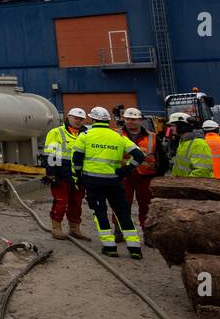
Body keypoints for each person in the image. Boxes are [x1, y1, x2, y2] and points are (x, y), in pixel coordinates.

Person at [72, 106, 146, 259]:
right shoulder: (118, 137)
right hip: (114, 181)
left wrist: (78, 176)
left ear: (93, 119)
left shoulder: (85, 135)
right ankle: (134, 247)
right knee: (122, 212)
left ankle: (109, 246)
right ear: (107, 121)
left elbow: (77, 158)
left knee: (100, 212)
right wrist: (126, 170)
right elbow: (139, 155)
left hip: (93, 181)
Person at [43, 107, 91, 240]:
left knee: (77, 202)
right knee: (61, 202)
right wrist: (51, 174)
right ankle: (56, 228)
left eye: (81, 119)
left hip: (79, 175)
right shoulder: (56, 132)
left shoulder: (86, 134)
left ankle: (74, 229)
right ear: (68, 117)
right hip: (61, 174)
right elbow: (51, 154)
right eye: (75, 118)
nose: (78, 121)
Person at [119, 107, 158, 231]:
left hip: (145, 176)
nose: (131, 121)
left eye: (134, 119)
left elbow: (161, 158)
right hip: (124, 175)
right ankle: (120, 230)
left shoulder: (152, 137)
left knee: (146, 205)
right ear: (124, 119)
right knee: (122, 204)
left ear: (140, 120)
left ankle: (147, 231)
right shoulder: (117, 135)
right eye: (128, 119)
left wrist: (158, 174)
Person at [170, 115, 215, 179]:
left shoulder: (198, 143)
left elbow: (202, 171)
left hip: (194, 186)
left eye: (173, 125)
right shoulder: (183, 142)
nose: (171, 128)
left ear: (183, 126)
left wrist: (184, 184)